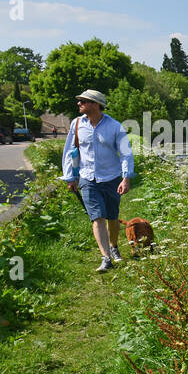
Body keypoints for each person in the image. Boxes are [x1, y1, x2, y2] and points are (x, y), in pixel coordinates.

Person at [62, 89, 133, 273]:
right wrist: (70, 177)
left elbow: (126, 153)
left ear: (95, 104)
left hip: (111, 178)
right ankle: (106, 258)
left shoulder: (115, 126)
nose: (79, 104)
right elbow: (69, 151)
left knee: (112, 216)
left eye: (83, 101)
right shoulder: (76, 125)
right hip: (87, 178)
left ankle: (114, 246)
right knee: (97, 217)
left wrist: (126, 178)